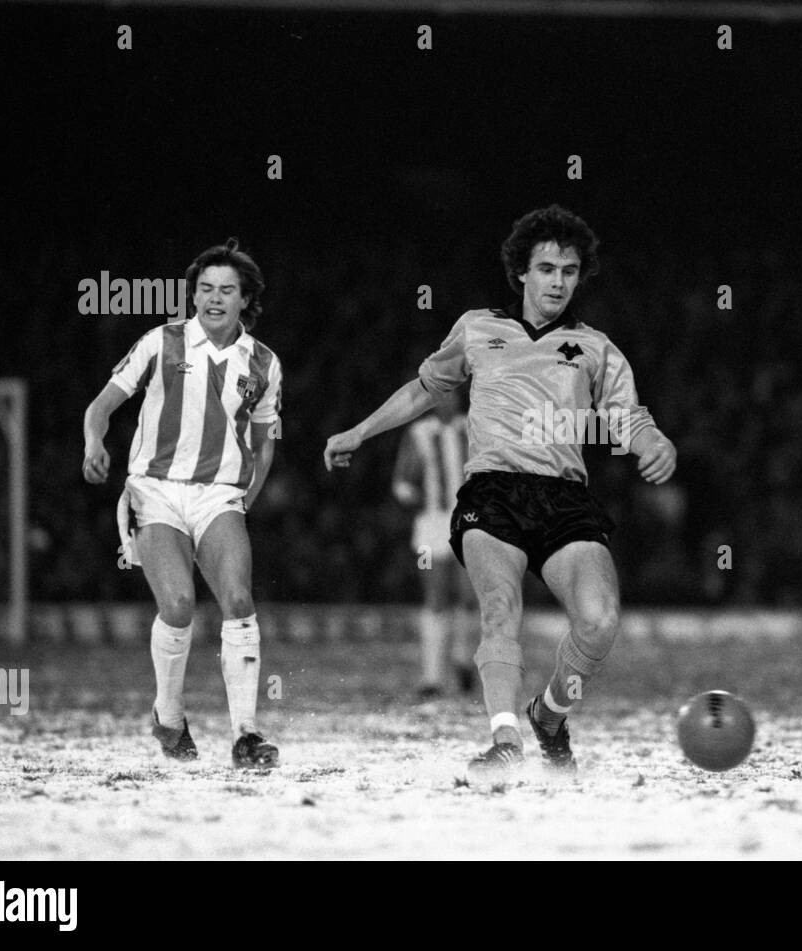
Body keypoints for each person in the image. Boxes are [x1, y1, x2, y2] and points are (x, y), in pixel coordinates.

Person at [325, 205, 677, 773]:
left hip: (564, 498)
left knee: (600, 620)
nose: (557, 280)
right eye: (546, 268)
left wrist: (653, 443)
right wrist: (361, 431)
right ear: (521, 273)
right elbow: (424, 388)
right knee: (497, 607)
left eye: (568, 270)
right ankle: (505, 738)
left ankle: (549, 713)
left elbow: (625, 416)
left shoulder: (597, 347)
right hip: (491, 494)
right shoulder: (477, 327)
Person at [83, 238, 283, 766]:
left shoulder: (263, 363)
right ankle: (168, 715)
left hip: (219, 494)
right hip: (156, 490)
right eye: (205, 289)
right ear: (193, 295)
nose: (214, 298)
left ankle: (246, 734)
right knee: (178, 606)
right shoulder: (161, 342)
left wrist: (245, 501)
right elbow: (101, 406)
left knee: (238, 601)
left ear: (245, 300)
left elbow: (265, 442)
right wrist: (93, 442)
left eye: (227, 290)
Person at [391, 388, 477, 699]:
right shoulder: (419, 432)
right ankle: (432, 677)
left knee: (469, 594)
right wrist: (415, 497)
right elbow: (401, 483)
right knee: (435, 595)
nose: (447, 402)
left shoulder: (474, 427)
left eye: (452, 395)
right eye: (440, 396)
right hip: (430, 526)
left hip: (469, 523)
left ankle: (463, 659)